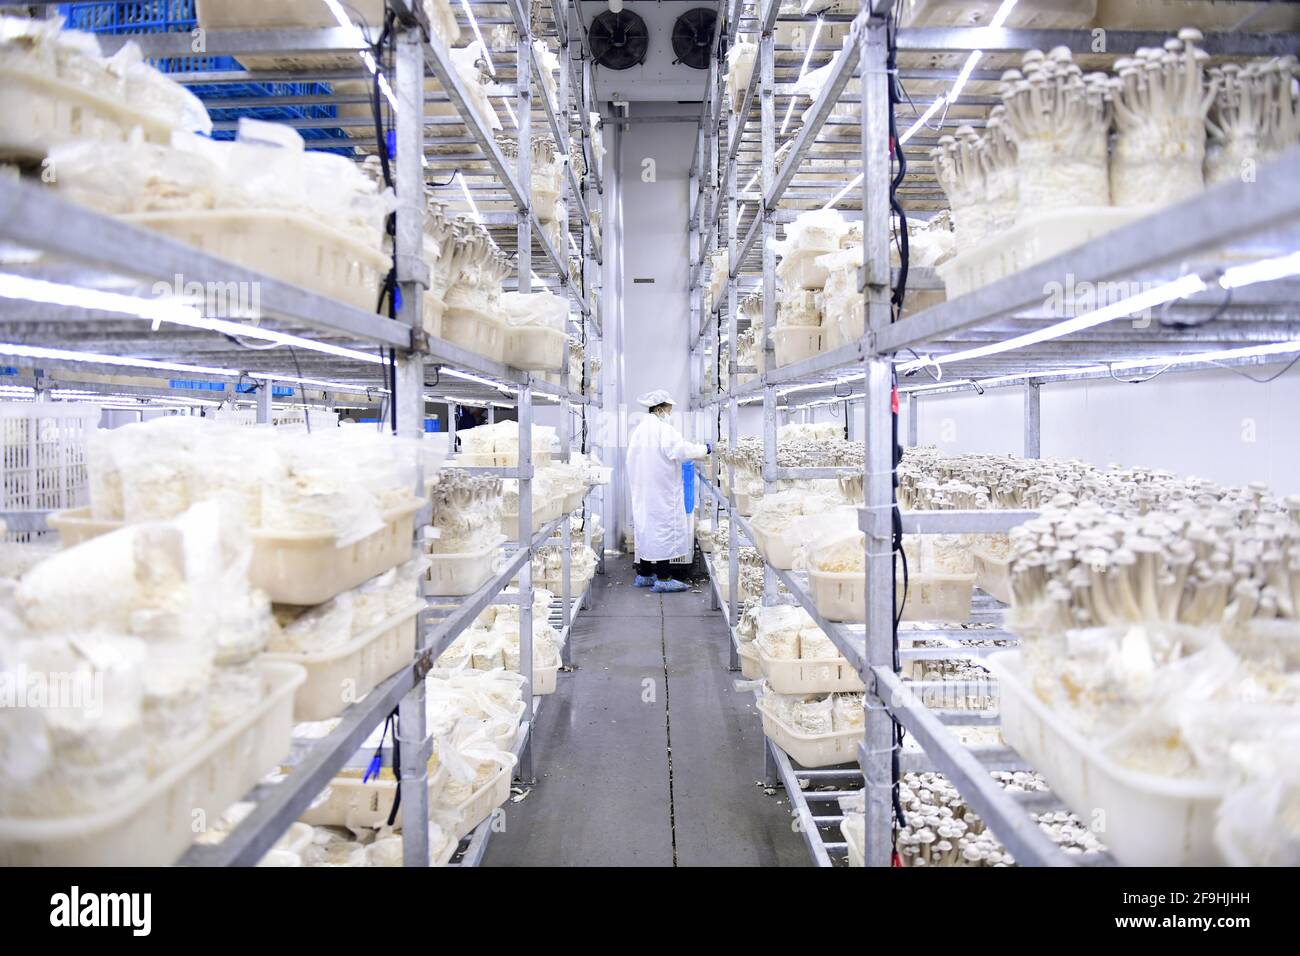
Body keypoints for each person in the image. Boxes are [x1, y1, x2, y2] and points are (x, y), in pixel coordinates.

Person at [626, 389, 711, 593]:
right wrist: (704, 449)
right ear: (659, 408)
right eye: (668, 409)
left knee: (647, 530)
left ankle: (644, 574)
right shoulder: (663, 429)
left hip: (644, 488)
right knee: (662, 530)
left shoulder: (640, 430)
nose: (669, 413)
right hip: (660, 490)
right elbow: (680, 450)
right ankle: (663, 577)